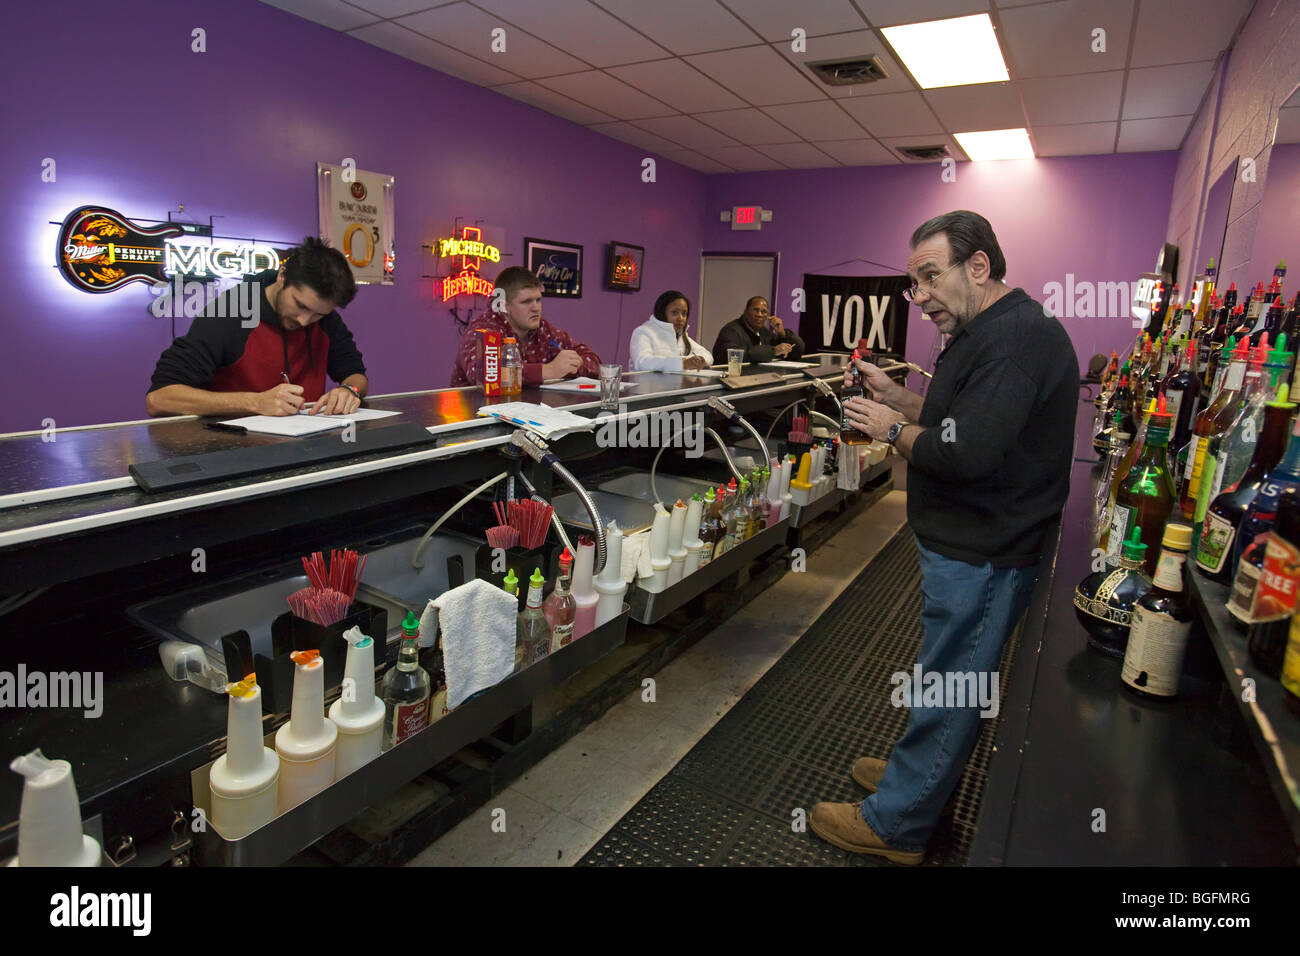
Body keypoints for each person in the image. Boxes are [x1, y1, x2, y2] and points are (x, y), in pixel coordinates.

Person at [809, 210, 1078, 864]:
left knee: (952, 683)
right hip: (967, 541)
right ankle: (919, 776)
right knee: (943, 676)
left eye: (930, 277)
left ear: (978, 266)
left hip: (986, 548)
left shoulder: (1017, 340)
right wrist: (899, 401)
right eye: (913, 282)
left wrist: (886, 431)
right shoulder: (985, 329)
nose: (920, 295)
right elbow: (954, 420)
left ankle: (898, 822)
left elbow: (968, 453)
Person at [146, 237, 367, 417]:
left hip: (305, 448)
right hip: (232, 451)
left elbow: (356, 375)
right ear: (282, 277)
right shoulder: (233, 310)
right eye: (300, 305)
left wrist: (349, 391)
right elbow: (160, 398)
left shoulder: (326, 320)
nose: (304, 321)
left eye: (318, 314)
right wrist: (255, 402)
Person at [450, 266, 601, 387]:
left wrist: (575, 364)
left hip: (528, 414)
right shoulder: (483, 329)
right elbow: (484, 374)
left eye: (538, 300)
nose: (536, 308)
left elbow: (593, 361)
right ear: (504, 306)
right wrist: (550, 370)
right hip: (474, 418)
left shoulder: (543, 329)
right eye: (526, 301)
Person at [629, 290, 714, 372]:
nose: (681, 318)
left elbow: (707, 355)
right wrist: (683, 363)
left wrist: (698, 360)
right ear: (662, 313)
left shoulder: (682, 335)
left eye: (684, 313)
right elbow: (642, 362)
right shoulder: (643, 332)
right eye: (674, 312)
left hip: (675, 385)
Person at [711, 296, 805, 364]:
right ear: (746, 311)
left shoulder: (764, 332)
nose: (759, 314)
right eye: (755, 310)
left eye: (764, 312)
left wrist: (783, 333)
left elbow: (798, 351)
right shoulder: (731, 330)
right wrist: (773, 351)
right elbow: (733, 355)